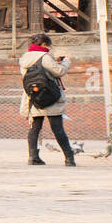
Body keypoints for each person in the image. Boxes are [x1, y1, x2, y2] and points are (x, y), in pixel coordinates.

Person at [19, 33, 75, 167]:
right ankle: (69, 158)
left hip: (33, 97)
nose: (49, 48)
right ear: (44, 45)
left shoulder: (24, 58)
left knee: (35, 128)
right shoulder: (45, 57)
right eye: (48, 45)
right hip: (50, 96)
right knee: (57, 129)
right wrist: (66, 62)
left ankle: (33, 157)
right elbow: (59, 72)